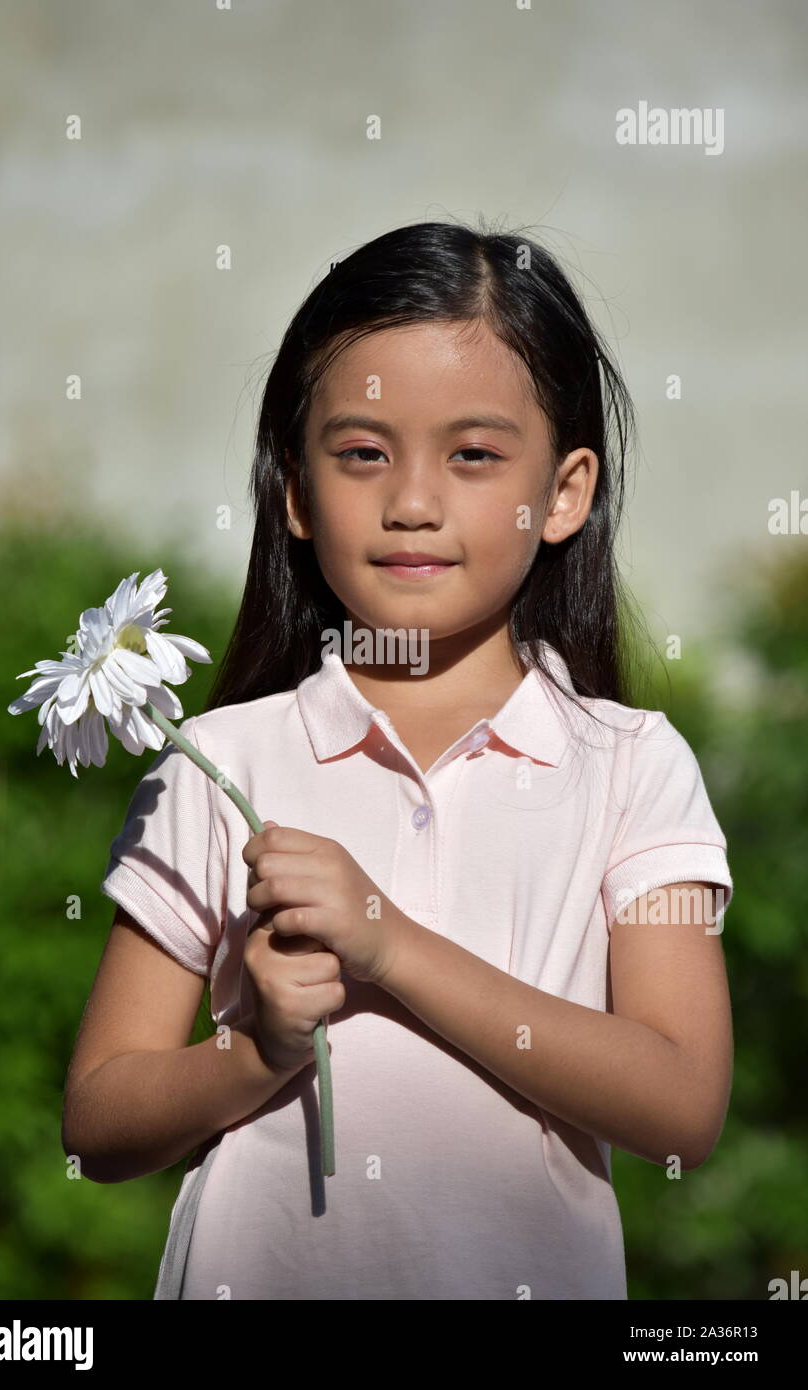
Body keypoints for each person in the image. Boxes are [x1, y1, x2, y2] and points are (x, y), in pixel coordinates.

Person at [61, 219, 734, 1300]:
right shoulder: (218, 758)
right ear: (293, 489)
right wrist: (254, 1054)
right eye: (362, 452)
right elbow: (97, 1123)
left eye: (473, 455)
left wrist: (389, 944)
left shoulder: (628, 765)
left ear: (562, 493)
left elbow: (681, 1107)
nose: (412, 501)